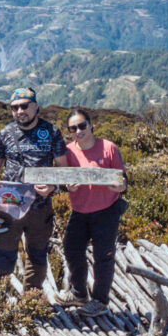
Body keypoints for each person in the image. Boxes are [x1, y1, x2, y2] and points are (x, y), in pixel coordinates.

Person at [0, 87, 67, 291]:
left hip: (40, 207)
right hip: (9, 204)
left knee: (38, 255)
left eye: (24, 106)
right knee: (3, 254)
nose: (19, 111)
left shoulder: (51, 132)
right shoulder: (5, 133)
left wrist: (52, 187)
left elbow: (62, 168)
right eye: (14, 107)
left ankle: (31, 301)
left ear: (36, 107)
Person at [57, 108, 128, 317]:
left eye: (82, 126)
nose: (78, 131)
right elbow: (62, 179)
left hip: (106, 210)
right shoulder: (68, 151)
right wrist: (67, 186)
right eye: (73, 128)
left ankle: (100, 300)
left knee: (103, 256)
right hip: (79, 209)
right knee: (71, 249)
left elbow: (122, 178)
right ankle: (79, 293)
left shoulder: (109, 148)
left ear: (90, 125)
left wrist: (120, 186)